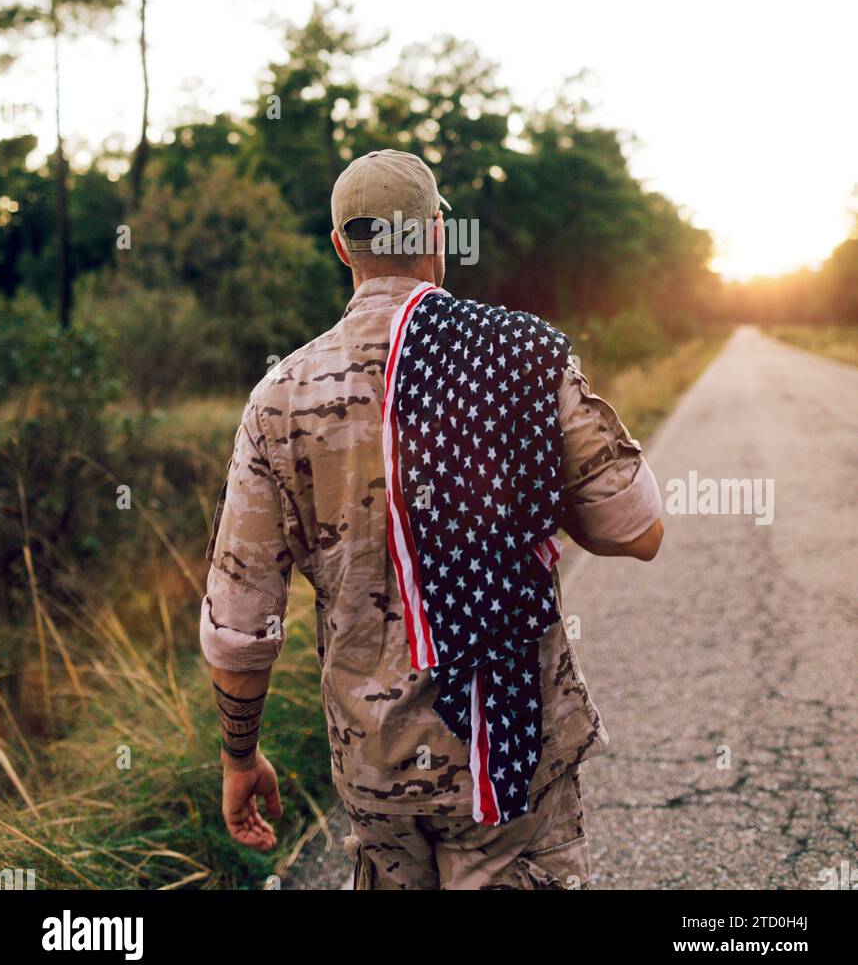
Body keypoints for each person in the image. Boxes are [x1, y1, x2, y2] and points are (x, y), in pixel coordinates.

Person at [200, 149, 663, 889]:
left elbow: (241, 622)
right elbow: (636, 529)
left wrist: (239, 757)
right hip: (506, 757)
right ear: (436, 236)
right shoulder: (516, 354)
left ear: (341, 249)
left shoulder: (278, 397)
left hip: (374, 767)